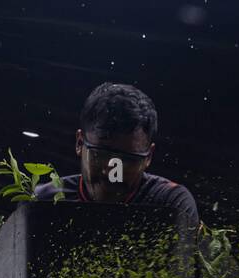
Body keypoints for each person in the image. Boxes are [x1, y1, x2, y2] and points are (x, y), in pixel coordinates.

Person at [33, 82, 200, 232]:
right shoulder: (43, 202)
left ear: (148, 157)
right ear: (79, 144)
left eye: (128, 159)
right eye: (101, 154)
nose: (113, 172)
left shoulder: (170, 204)